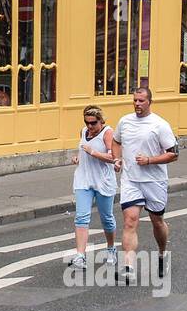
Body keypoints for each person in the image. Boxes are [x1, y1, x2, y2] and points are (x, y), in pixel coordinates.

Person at [112, 87, 180, 281]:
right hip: (131, 180)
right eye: (135, 100)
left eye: (141, 101)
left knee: (157, 221)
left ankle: (161, 253)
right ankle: (128, 266)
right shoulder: (125, 121)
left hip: (154, 181)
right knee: (130, 220)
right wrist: (117, 159)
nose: (137, 104)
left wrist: (150, 160)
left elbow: (174, 154)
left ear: (149, 102)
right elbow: (116, 142)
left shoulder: (160, 125)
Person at [69, 106, 119, 272]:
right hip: (83, 179)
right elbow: (82, 150)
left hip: (103, 181)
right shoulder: (83, 131)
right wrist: (78, 157)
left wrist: (92, 152)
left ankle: (111, 248)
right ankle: (80, 256)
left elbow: (113, 158)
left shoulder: (108, 133)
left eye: (93, 123)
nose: (89, 126)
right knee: (81, 217)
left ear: (101, 121)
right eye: (87, 122)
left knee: (106, 218)